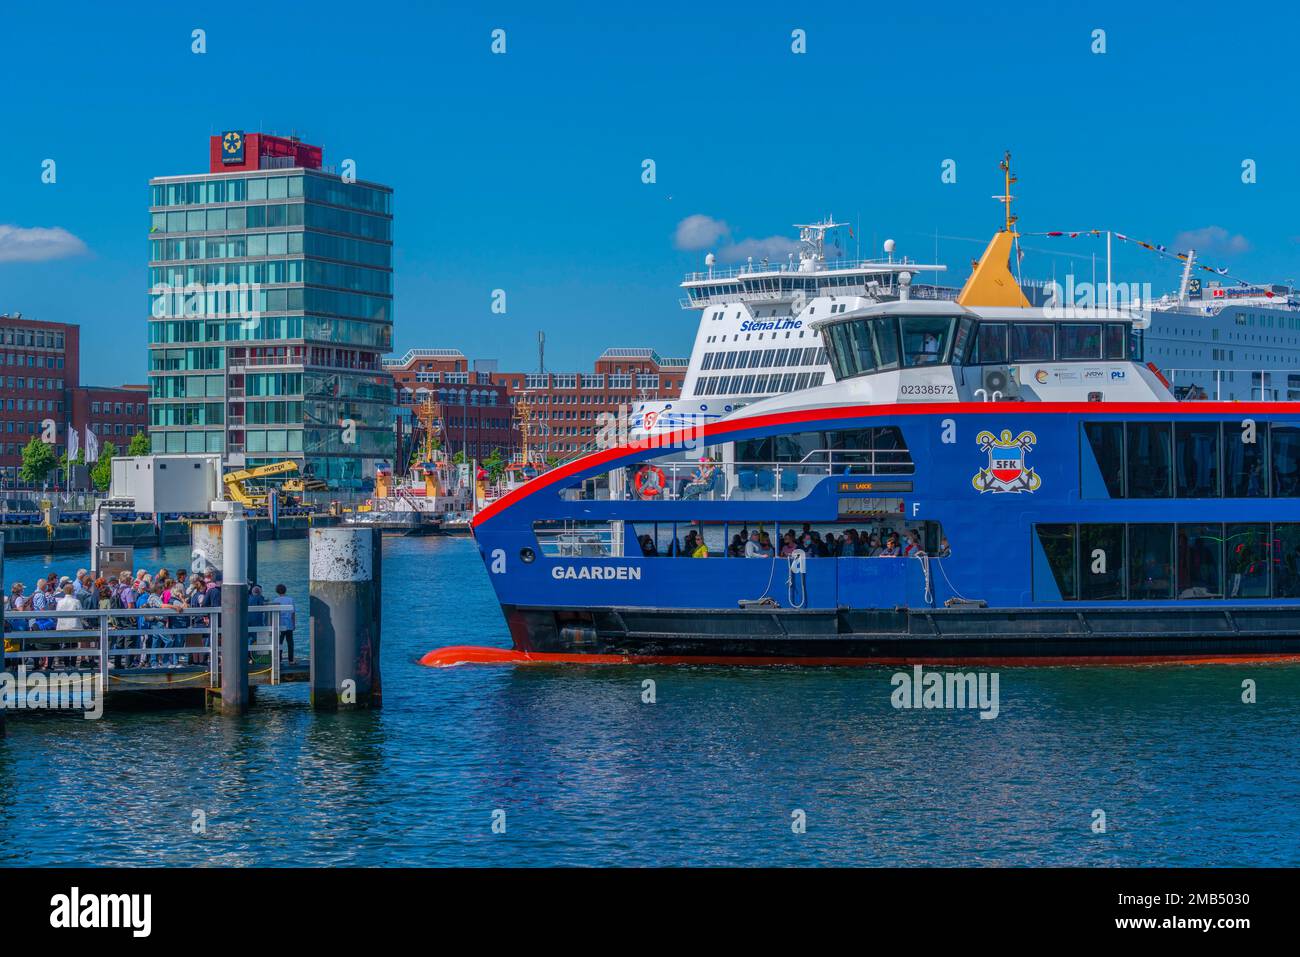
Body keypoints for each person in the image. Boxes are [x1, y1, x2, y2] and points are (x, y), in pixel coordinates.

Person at [272, 583, 296, 663]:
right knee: (290, 643)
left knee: (279, 643)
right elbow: (293, 613)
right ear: (285, 590)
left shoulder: (275, 600)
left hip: (279, 624)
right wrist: (294, 624)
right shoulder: (290, 599)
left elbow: (274, 614)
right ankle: (291, 660)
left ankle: (279, 660)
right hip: (289, 624)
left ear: (277, 591)